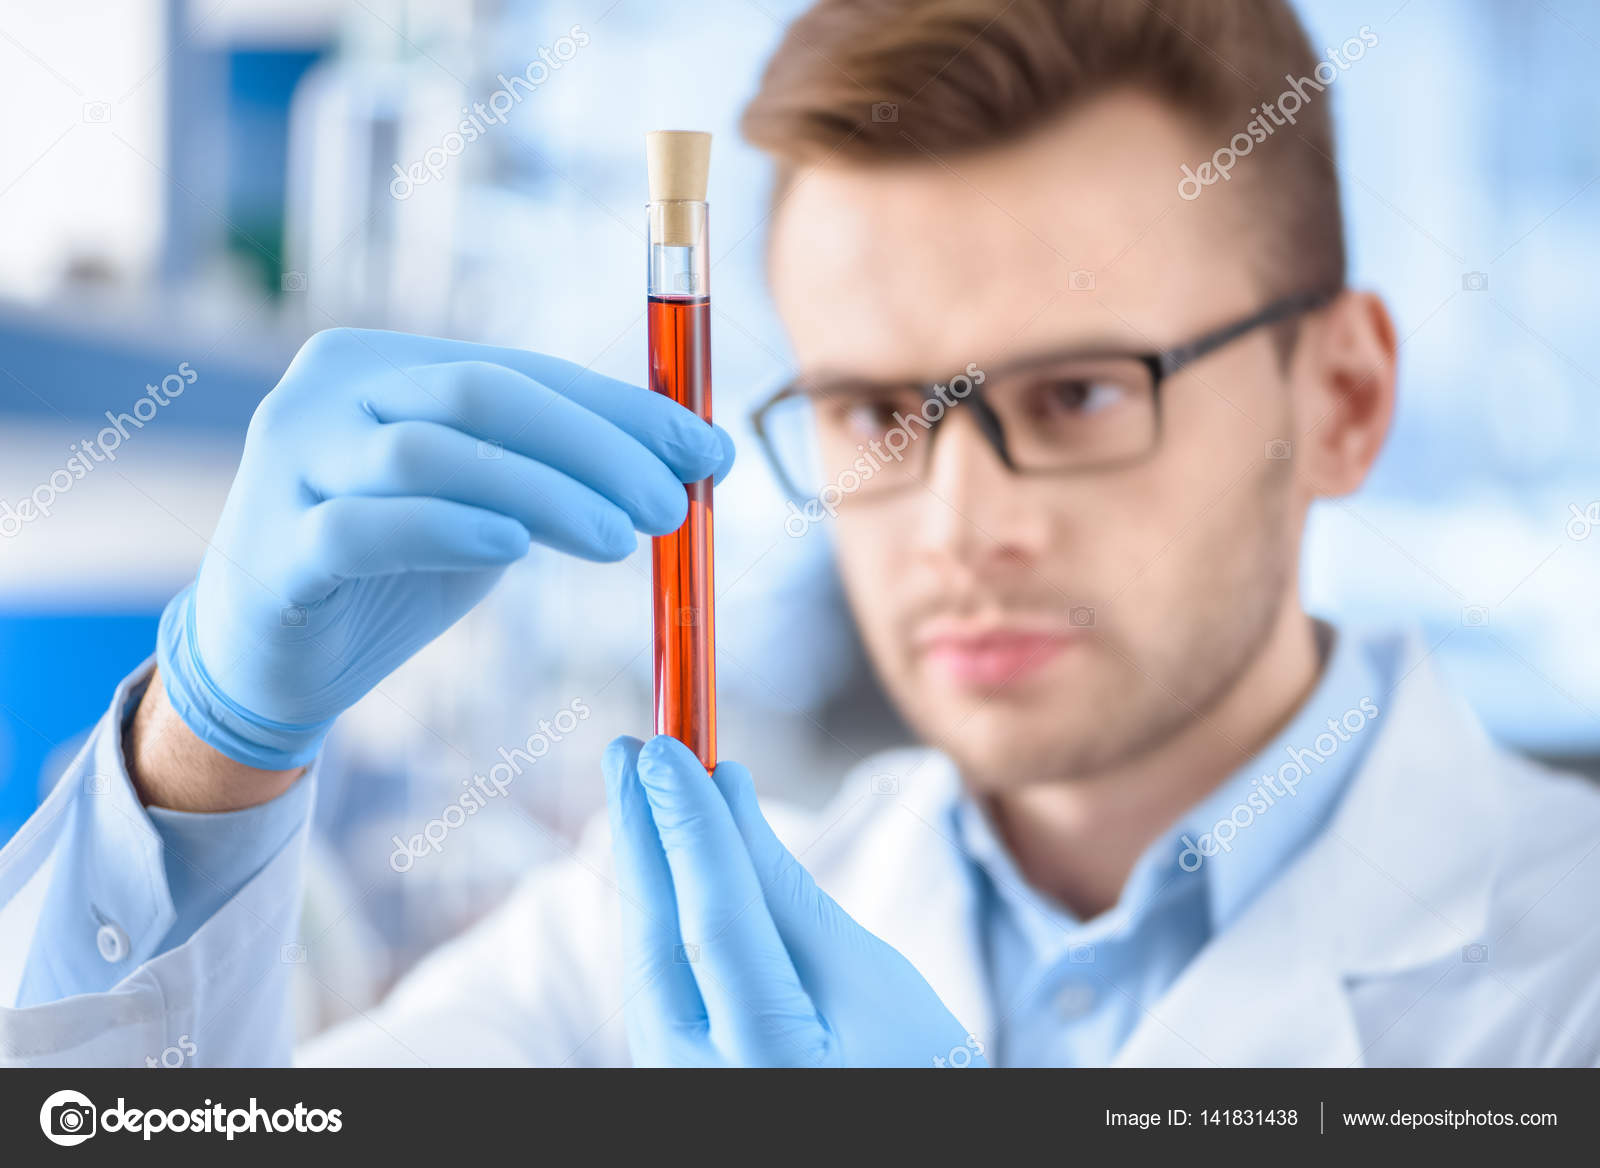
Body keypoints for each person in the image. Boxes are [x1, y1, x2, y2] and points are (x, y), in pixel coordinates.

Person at [3, 0, 1597, 1068]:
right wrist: (207, 765)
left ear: (1344, 398)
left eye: (1080, 395)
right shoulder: (630, 956)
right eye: (876, 411)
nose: (962, 523)